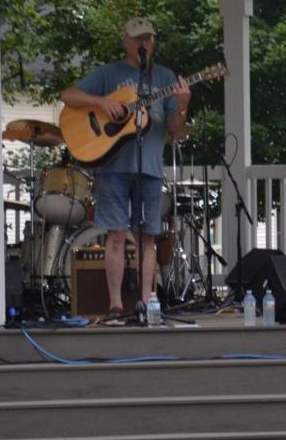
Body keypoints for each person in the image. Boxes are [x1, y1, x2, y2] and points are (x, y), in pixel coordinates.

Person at [59, 17, 191, 316]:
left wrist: (182, 105)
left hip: (150, 168)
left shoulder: (165, 78)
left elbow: (173, 126)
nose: (144, 43)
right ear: (126, 42)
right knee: (116, 235)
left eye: (148, 38)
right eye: (138, 39)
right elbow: (68, 96)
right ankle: (116, 304)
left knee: (148, 237)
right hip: (112, 167)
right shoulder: (109, 74)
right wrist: (102, 103)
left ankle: (146, 303)